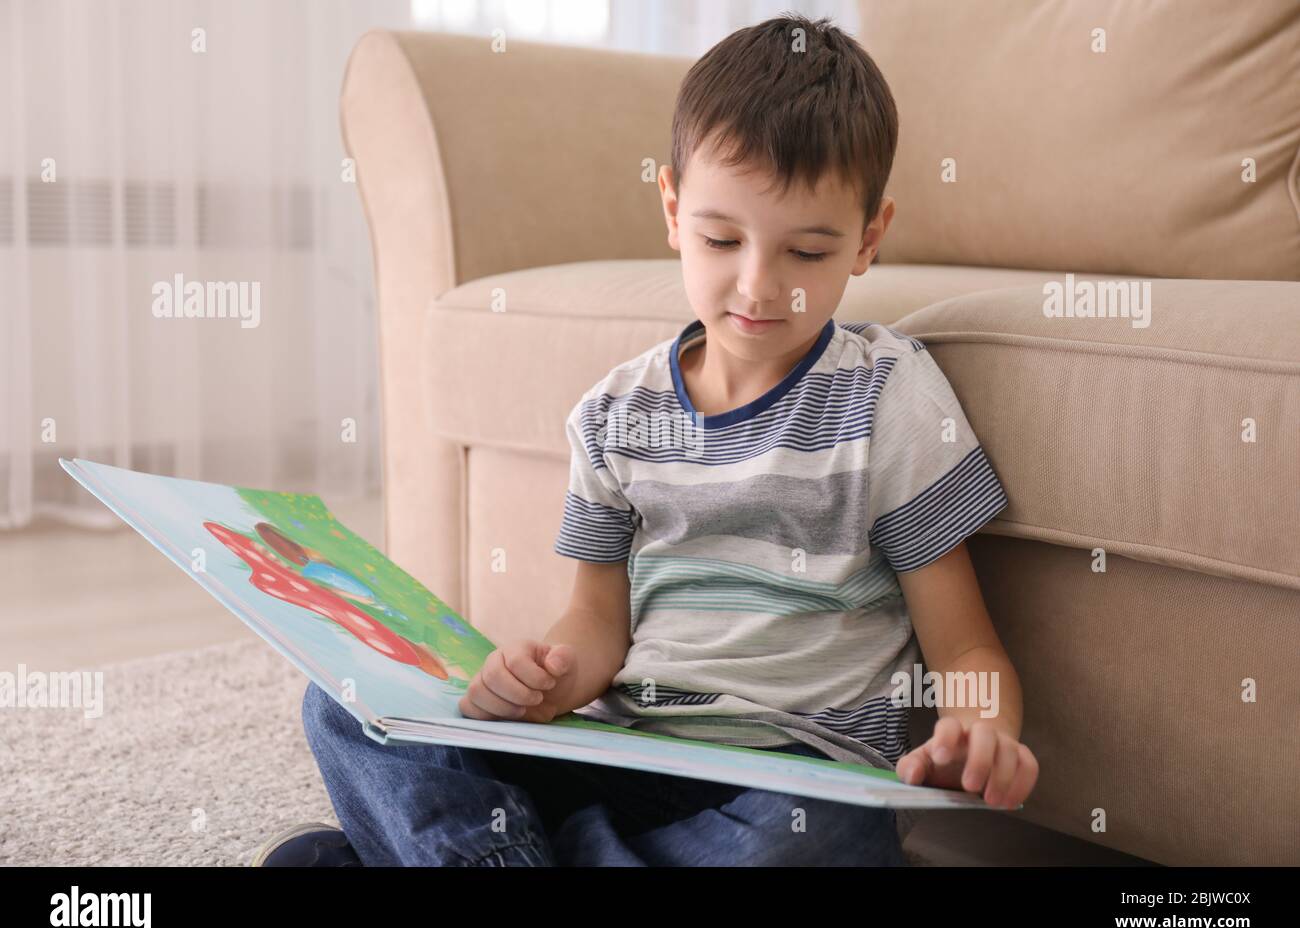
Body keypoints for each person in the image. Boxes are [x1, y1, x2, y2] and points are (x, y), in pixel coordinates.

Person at [258, 12, 1037, 868]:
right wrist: (547, 676)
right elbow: (596, 625)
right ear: (672, 208)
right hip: (623, 756)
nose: (757, 286)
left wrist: (981, 725)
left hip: (787, 785)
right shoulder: (613, 413)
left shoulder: (887, 395)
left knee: (827, 840)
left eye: (807, 253)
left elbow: (964, 645)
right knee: (346, 701)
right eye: (720, 239)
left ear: (868, 239)